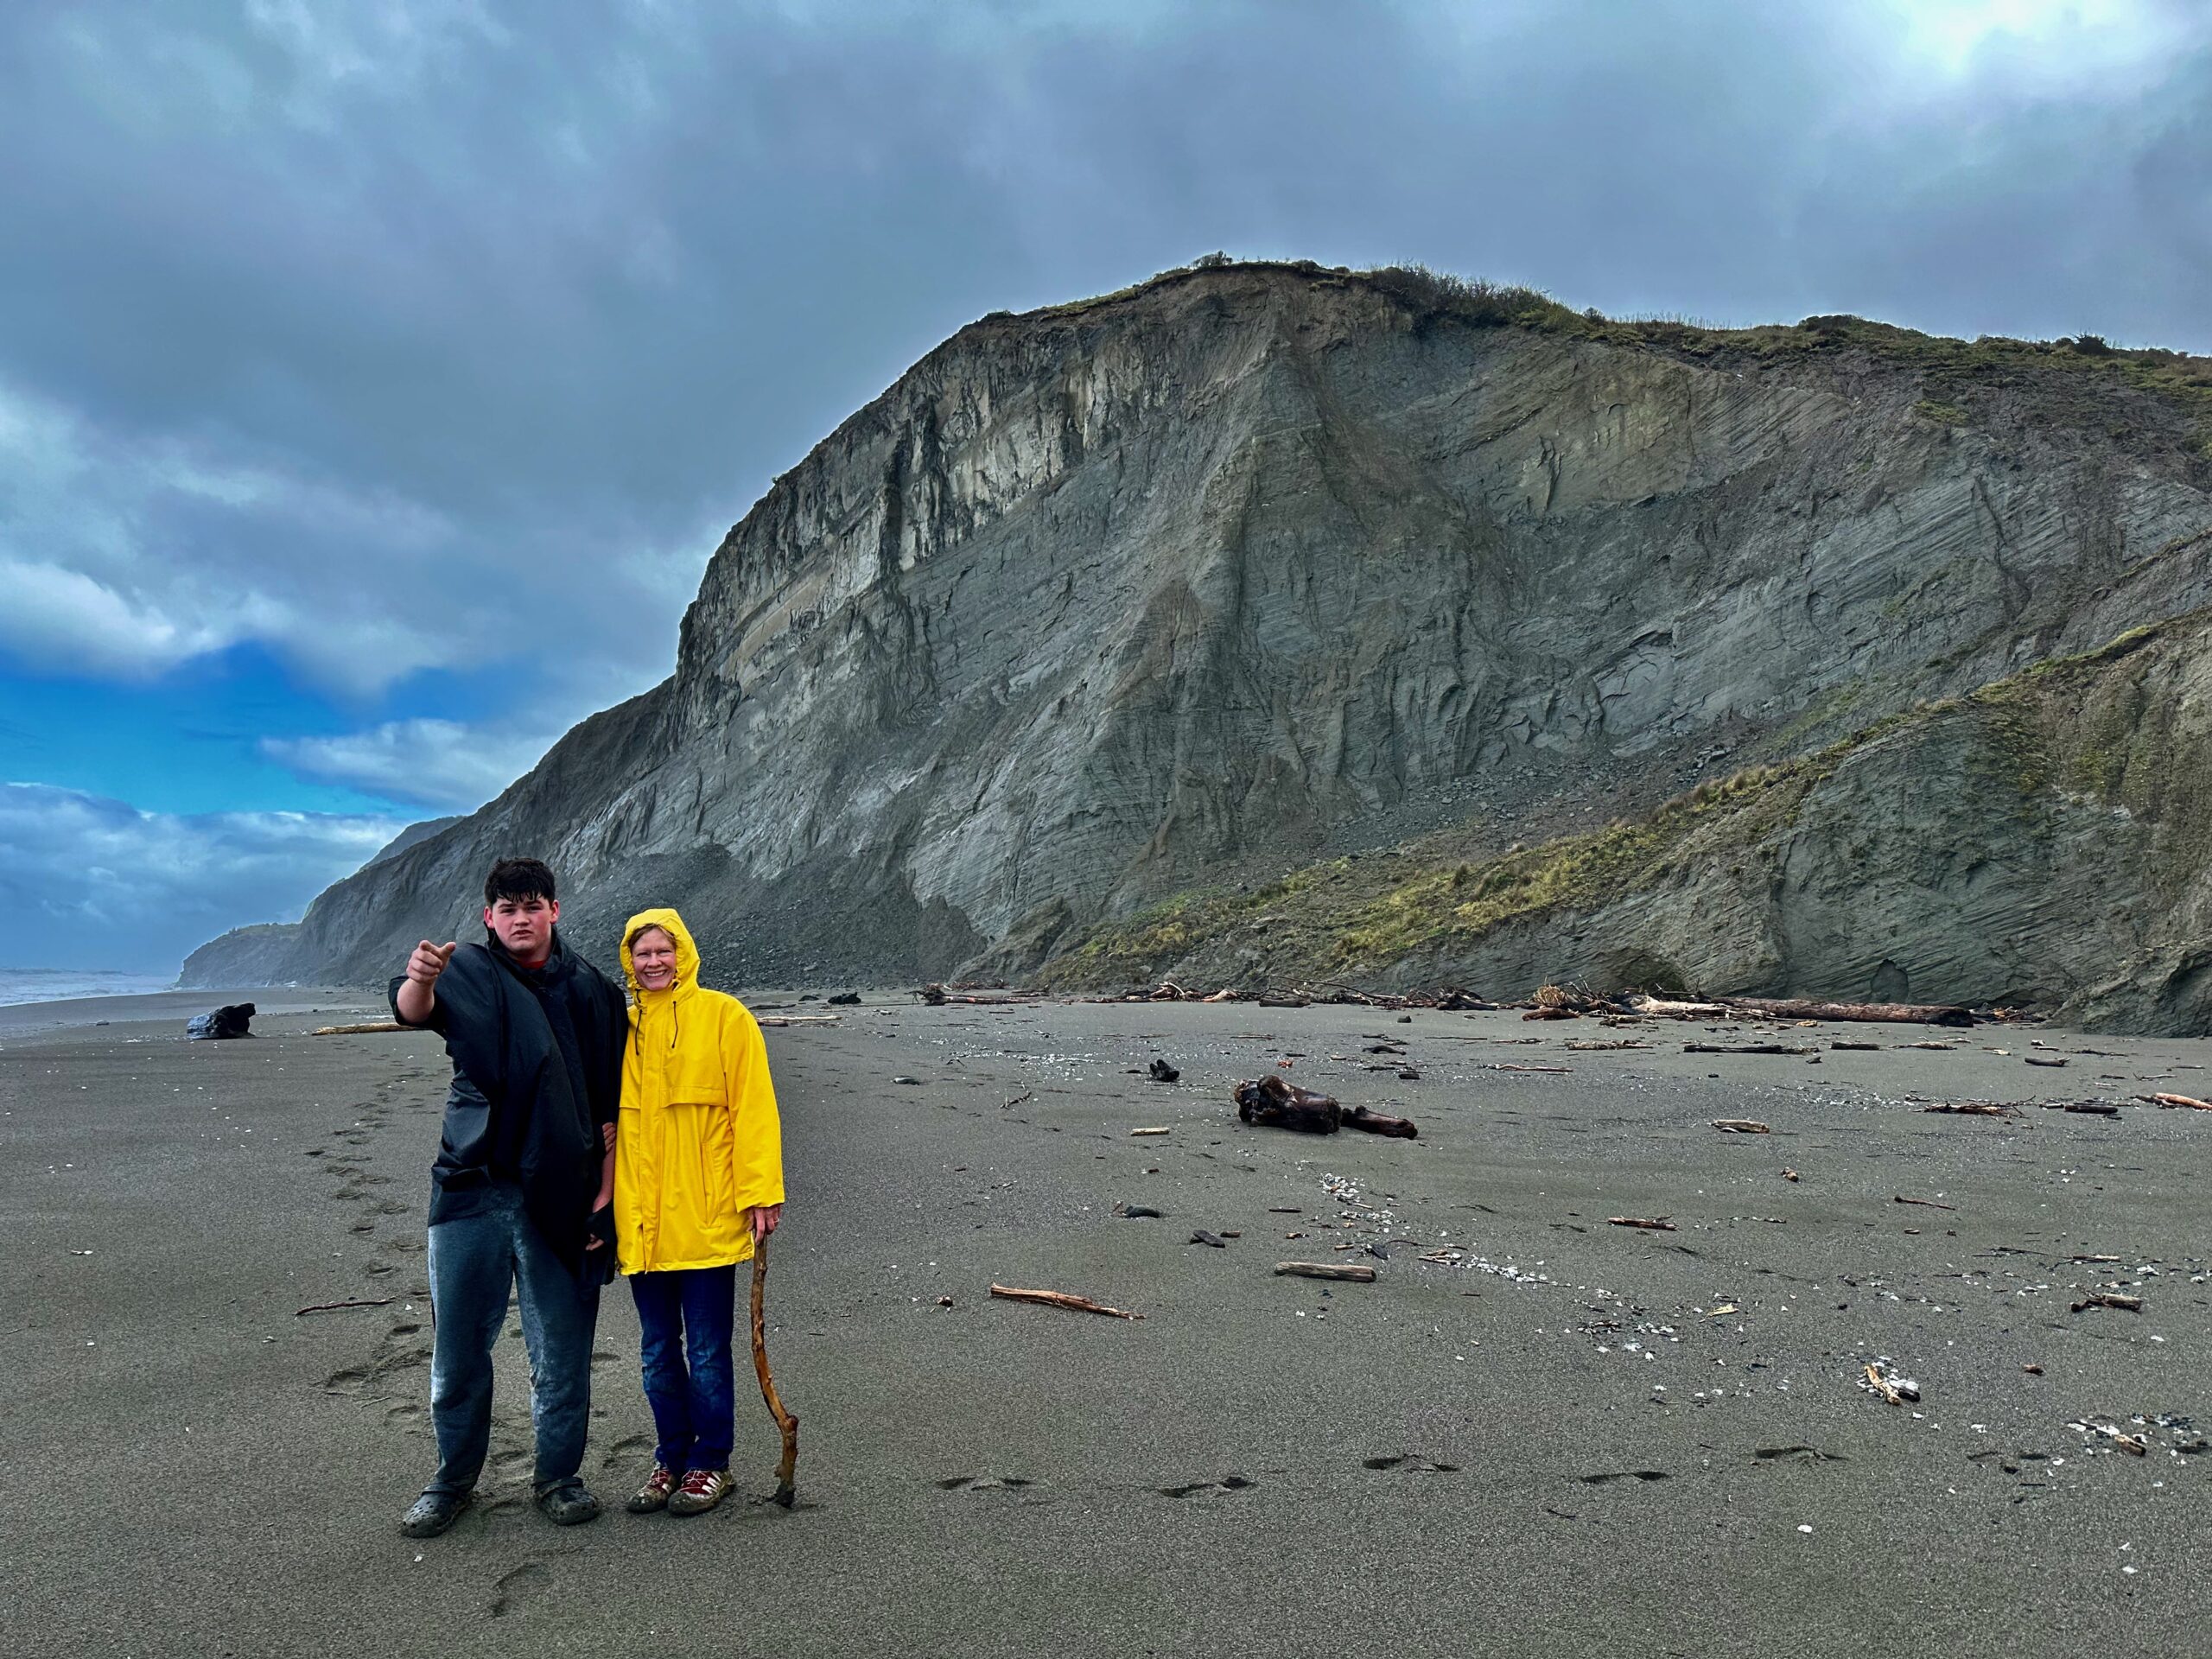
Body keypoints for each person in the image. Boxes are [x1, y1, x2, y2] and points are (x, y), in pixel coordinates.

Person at [389, 857, 629, 1539]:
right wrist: (420, 978)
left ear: (554, 910)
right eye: (506, 908)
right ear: (489, 918)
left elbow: (613, 1117)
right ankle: (451, 1481)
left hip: (561, 1188)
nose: (520, 918)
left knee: (562, 1348)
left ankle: (560, 1476)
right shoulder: (464, 970)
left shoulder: (593, 993)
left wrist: (603, 1202)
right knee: (459, 1347)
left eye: (533, 905)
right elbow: (416, 1011)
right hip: (470, 1183)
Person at [613, 907, 785, 1517]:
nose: (654, 962)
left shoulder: (723, 1016)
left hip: (708, 1216)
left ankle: (711, 1463)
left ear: (683, 953)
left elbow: (754, 1106)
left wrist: (761, 1191)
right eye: (643, 953)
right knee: (658, 1349)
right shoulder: (622, 1026)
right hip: (642, 1223)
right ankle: (670, 1456)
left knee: (708, 1349)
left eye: (664, 951)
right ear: (628, 960)